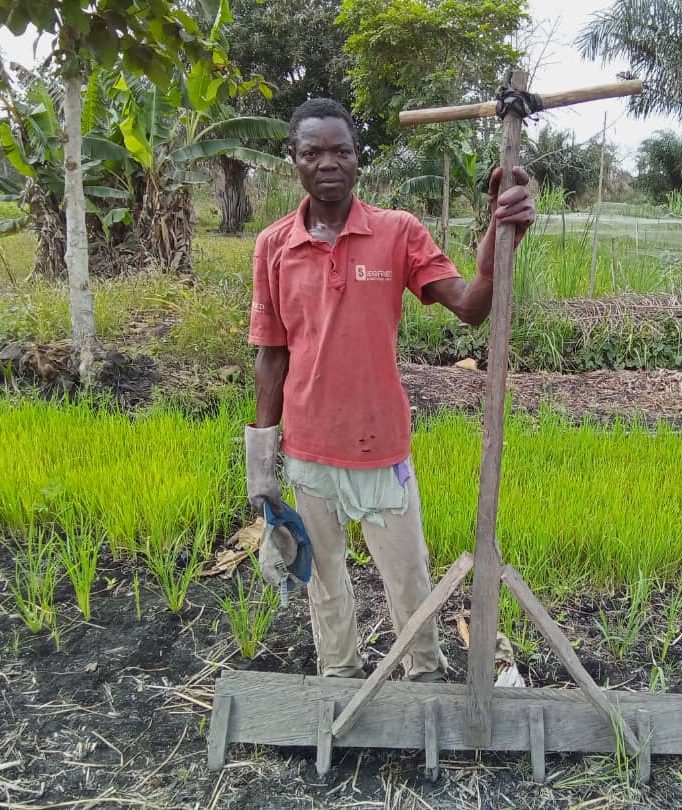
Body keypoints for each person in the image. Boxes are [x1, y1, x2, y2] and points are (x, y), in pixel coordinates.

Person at [244, 97, 535, 682]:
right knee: (324, 579)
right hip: (307, 453)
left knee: (409, 580)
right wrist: (262, 459)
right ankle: (341, 682)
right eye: (313, 152)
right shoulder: (273, 246)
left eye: (341, 151)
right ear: (293, 162)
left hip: (381, 450)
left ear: (357, 159)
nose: (328, 162)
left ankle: (422, 681)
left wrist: (501, 232)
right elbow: (271, 355)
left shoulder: (396, 232)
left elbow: (473, 306)